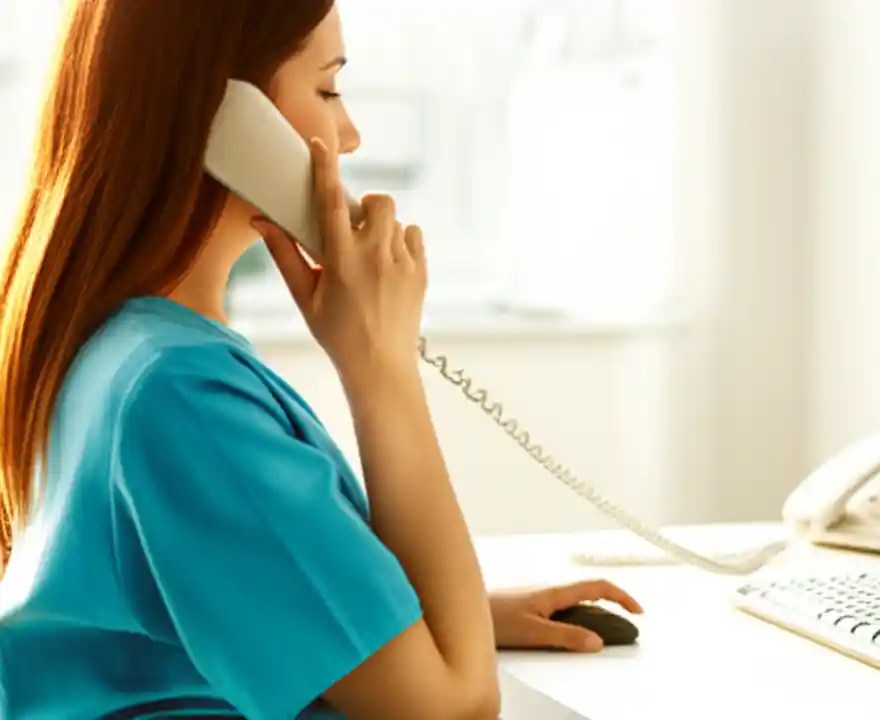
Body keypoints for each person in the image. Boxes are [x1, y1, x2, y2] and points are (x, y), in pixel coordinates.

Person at [0, 2, 642, 718]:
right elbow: (451, 711)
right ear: (225, 118)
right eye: (329, 89)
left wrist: (417, 621)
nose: (350, 133)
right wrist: (383, 366)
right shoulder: (180, 393)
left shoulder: (115, 345)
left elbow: (186, 604)